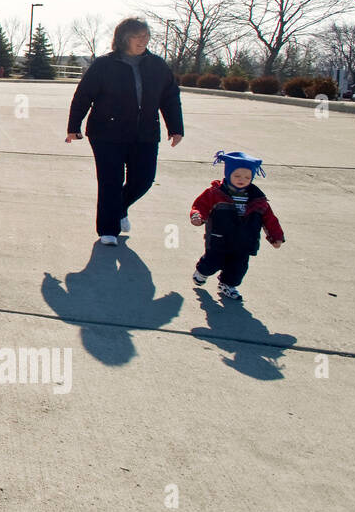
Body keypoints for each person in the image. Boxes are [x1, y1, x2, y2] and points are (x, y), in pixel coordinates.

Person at [66, 17, 183, 246]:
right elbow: (83, 96)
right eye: (137, 36)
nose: (143, 40)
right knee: (110, 180)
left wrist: (175, 127)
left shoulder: (157, 65)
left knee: (144, 179)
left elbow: (170, 97)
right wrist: (73, 127)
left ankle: (119, 209)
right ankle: (107, 230)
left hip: (146, 133)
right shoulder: (104, 65)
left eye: (146, 35)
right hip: (106, 133)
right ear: (123, 38)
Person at [189, 151, 285, 300]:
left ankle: (228, 284)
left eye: (247, 177)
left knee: (238, 267)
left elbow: (269, 219)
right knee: (212, 261)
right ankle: (202, 272)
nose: (242, 180)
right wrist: (197, 216)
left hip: (245, 241)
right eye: (237, 176)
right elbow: (200, 206)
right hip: (219, 238)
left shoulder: (258, 199)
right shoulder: (215, 193)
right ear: (228, 174)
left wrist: (275, 236)